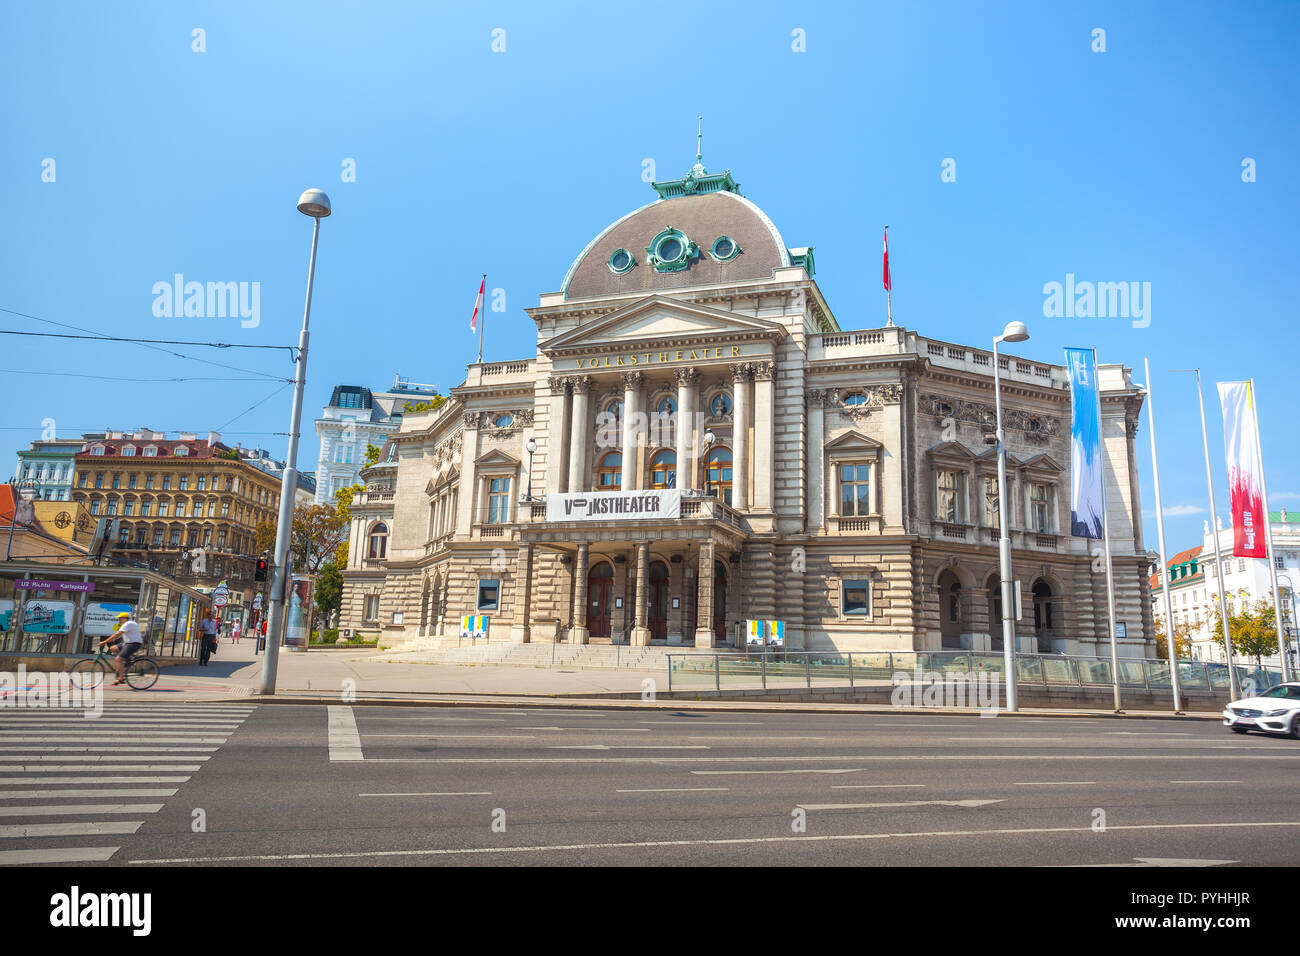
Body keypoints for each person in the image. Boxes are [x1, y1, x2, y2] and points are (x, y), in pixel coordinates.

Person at [98, 611, 144, 686]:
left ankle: (121, 678)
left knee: (118, 659)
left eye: (120, 618)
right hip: (127, 643)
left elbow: (117, 634)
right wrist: (111, 640)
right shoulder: (127, 624)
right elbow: (118, 635)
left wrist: (104, 642)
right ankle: (125, 661)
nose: (119, 620)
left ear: (125, 618)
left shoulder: (128, 624)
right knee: (112, 648)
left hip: (133, 644)